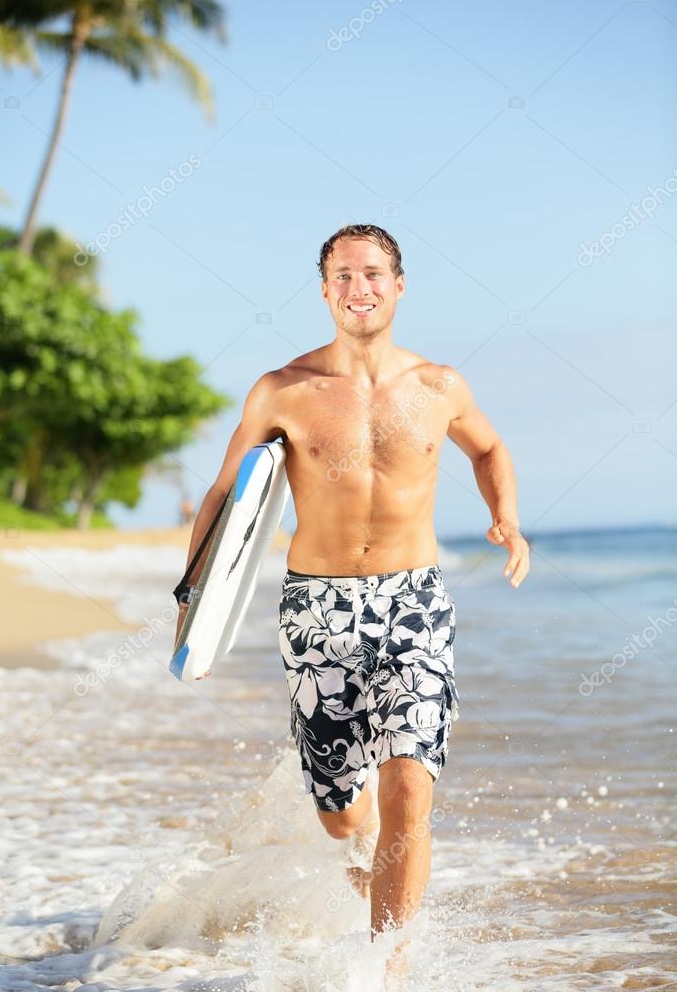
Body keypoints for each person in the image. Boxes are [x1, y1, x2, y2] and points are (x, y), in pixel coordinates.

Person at [174, 224, 530, 988]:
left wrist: (507, 515)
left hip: (415, 604)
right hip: (317, 611)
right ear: (325, 288)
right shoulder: (284, 390)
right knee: (342, 812)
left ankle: (384, 970)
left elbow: (490, 448)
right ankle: (365, 850)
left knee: (409, 783)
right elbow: (223, 494)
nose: (358, 286)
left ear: (400, 285)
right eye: (342, 275)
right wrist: (191, 603)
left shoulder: (440, 386)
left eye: (373, 272)